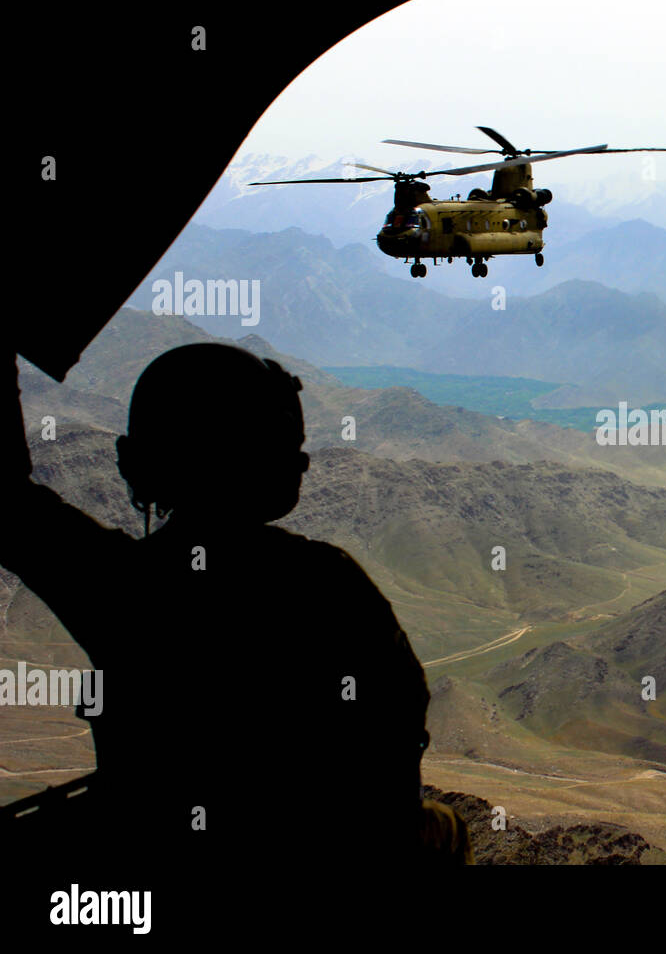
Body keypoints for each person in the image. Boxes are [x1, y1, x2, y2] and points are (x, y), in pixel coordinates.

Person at [1, 339, 468, 901]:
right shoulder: (330, 586)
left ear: (135, 462)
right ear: (278, 469)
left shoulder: (121, 588)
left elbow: (11, 506)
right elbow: (393, 758)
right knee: (445, 829)